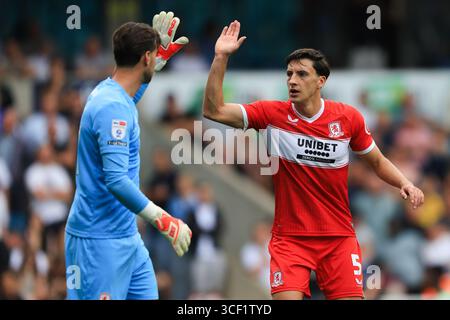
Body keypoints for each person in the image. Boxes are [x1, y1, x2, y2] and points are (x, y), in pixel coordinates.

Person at [202, 20, 425, 300]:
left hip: (338, 238)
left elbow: (378, 162)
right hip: (290, 240)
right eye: (289, 74)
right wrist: (221, 57)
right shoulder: (272, 115)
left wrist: (405, 182)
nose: (292, 81)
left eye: (301, 74)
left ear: (321, 81)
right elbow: (214, 110)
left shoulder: (347, 119)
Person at [65, 11, 192, 300]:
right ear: (145, 57)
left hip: (126, 237)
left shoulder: (113, 94)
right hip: (98, 243)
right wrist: (164, 220)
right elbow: (116, 180)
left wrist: (156, 66)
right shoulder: (112, 107)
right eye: (154, 55)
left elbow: (129, 98)